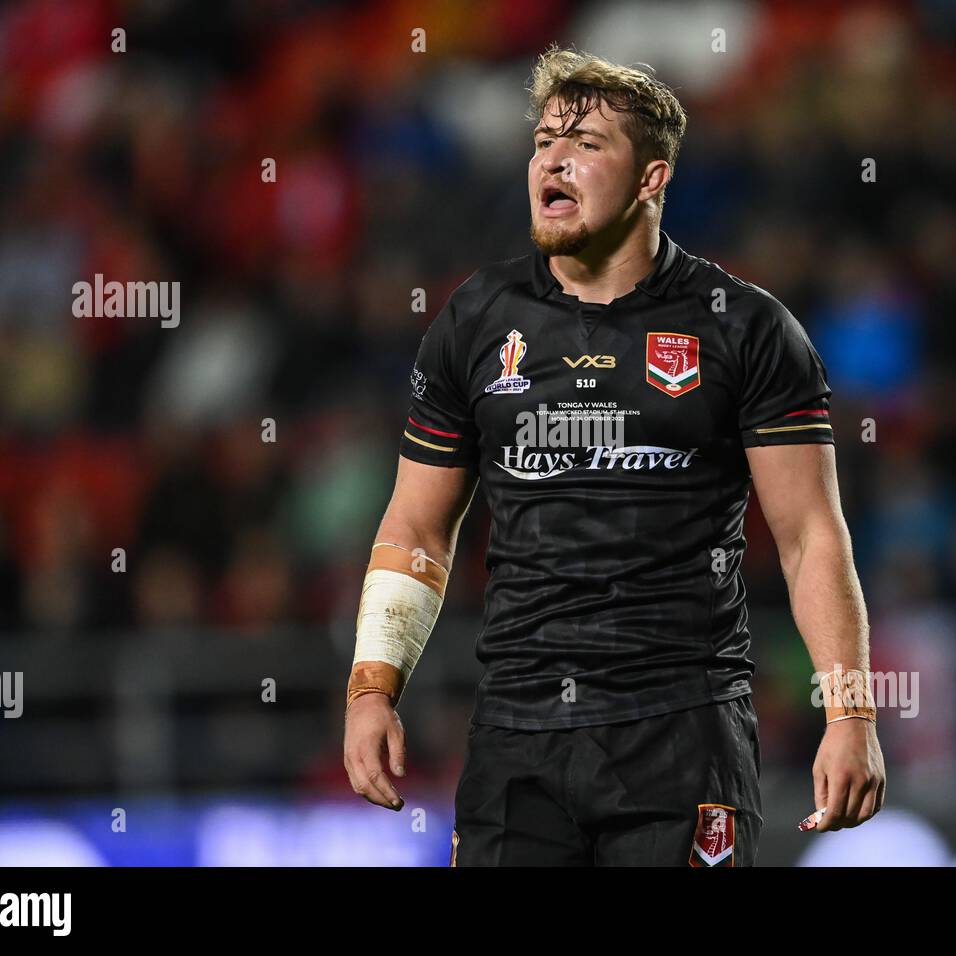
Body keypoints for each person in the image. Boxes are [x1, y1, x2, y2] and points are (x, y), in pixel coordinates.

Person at [342, 45, 885, 866]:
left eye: (586, 143)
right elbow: (417, 527)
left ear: (651, 179)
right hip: (518, 742)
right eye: (544, 140)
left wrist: (850, 716)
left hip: (683, 734)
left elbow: (811, 534)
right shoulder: (477, 320)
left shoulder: (744, 329)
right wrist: (371, 688)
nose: (552, 160)